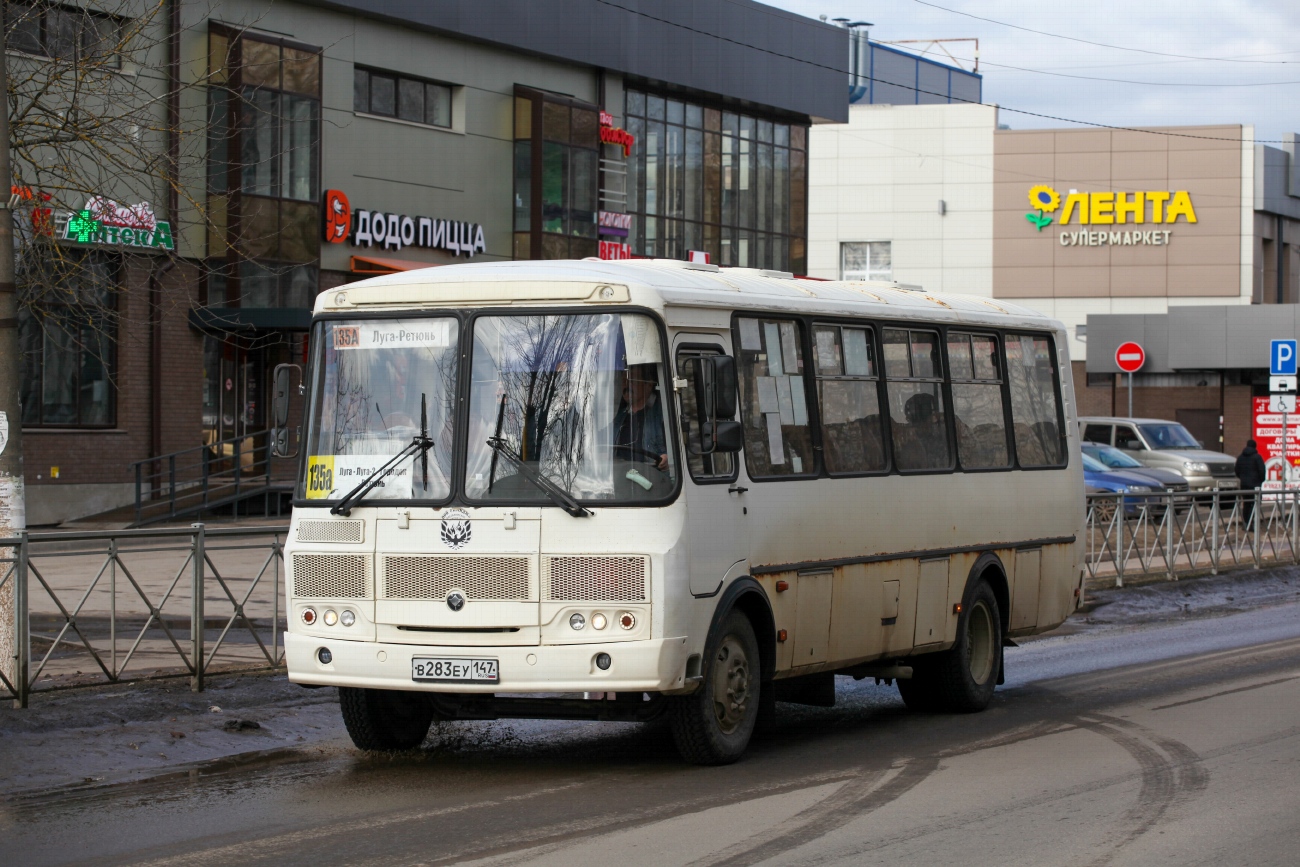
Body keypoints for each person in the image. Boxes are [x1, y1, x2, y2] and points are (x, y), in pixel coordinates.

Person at [611, 363, 668, 470]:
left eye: (631, 380)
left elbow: (681, 448)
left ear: (649, 385)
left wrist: (668, 458)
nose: (626, 385)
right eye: (624, 381)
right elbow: (600, 441)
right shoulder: (619, 416)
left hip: (653, 475)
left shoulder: (665, 412)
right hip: (620, 474)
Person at [1235, 439, 1266, 525]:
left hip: (1244, 485)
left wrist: (1243, 478)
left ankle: (1246, 523)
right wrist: (1260, 480)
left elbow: (1237, 470)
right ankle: (1252, 523)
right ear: (1255, 447)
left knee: (1246, 504)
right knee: (1255, 503)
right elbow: (1262, 471)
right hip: (1255, 485)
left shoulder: (1240, 457)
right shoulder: (1257, 457)